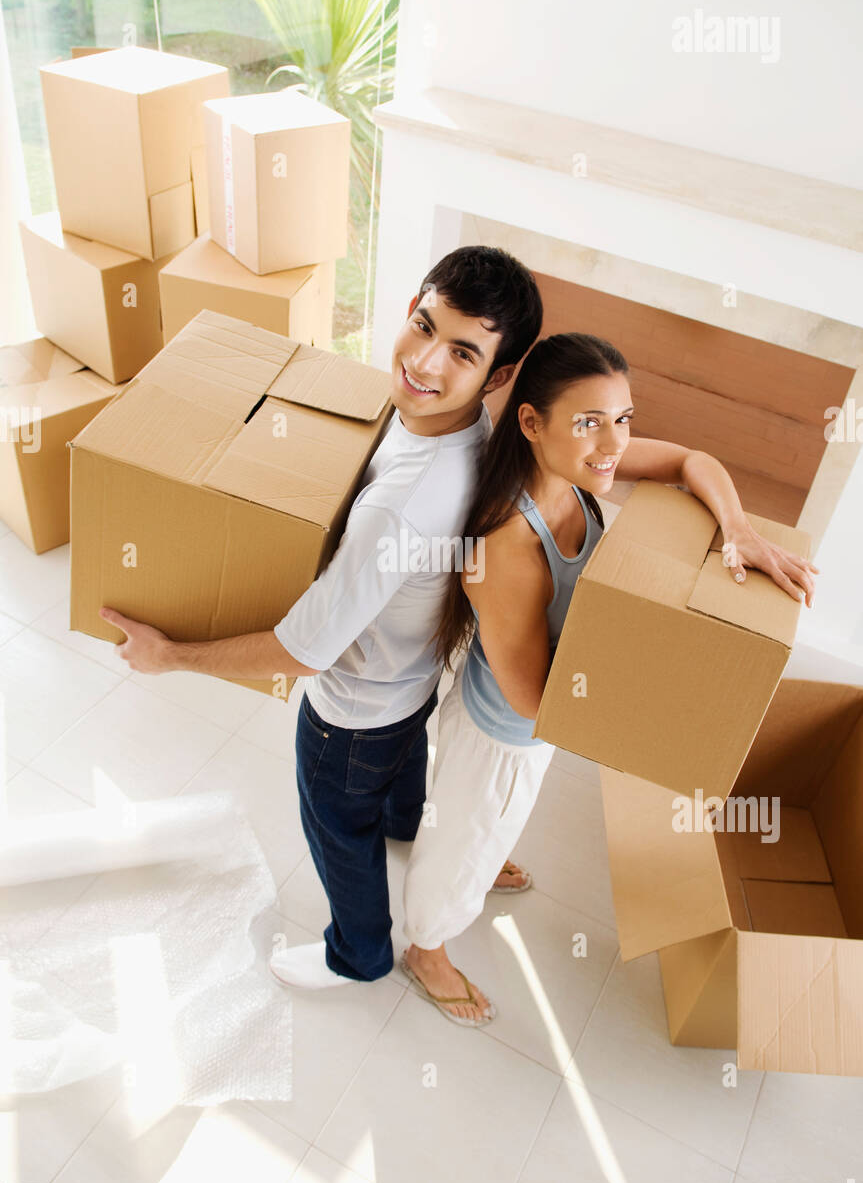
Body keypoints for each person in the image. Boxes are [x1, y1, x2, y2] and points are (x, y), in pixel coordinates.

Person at [99, 245, 544, 996]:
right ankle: (408, 827)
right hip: (411, 684)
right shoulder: (468, 433)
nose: (423, 363)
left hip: (351, 716)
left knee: (340, 833)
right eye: (423, 325)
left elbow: (301, 652)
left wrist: (169, 655)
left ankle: (358, 955)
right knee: (402, 777)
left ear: (498, 377)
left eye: (461, 352)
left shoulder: (404, 502)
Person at [400, 331, 819, 1024]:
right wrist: (650, 692)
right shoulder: (507, 543)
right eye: (589, 422)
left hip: (537, 729)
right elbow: (533, 699)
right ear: (531, 423)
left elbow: (690, 460)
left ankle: (484, 850)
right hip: (502, 734)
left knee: (493, 824)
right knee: (461, 843)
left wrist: (737, 528)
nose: (613, 443)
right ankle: (425, 947)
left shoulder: (580, 471)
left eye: (621, 419)